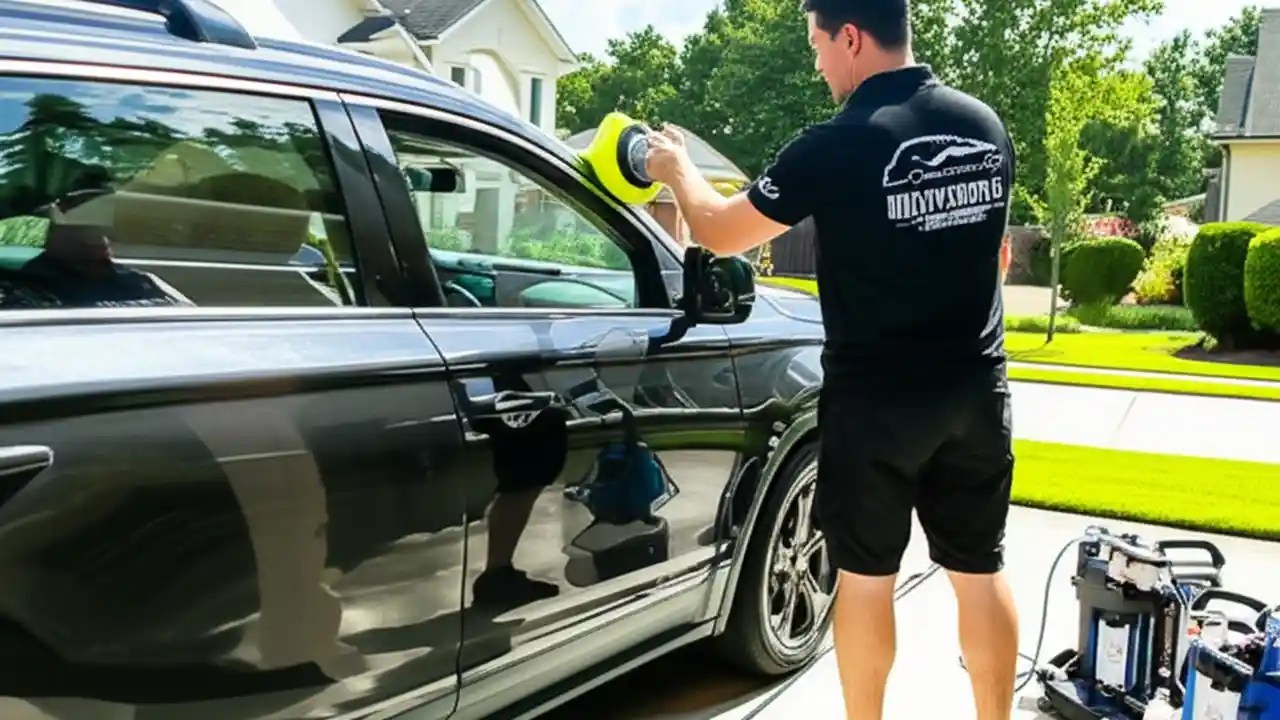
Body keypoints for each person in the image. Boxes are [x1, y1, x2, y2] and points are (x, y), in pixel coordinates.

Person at [642, 1, 1019, 719]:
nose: (817, 64)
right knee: (979, 569)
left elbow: (721, 231)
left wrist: (679, 169)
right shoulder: (984, 126)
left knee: (867, 578)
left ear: (850, 36)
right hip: (976, 389)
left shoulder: (839, 141)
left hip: (877, 401)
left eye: (817, 44)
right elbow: (995, 258)